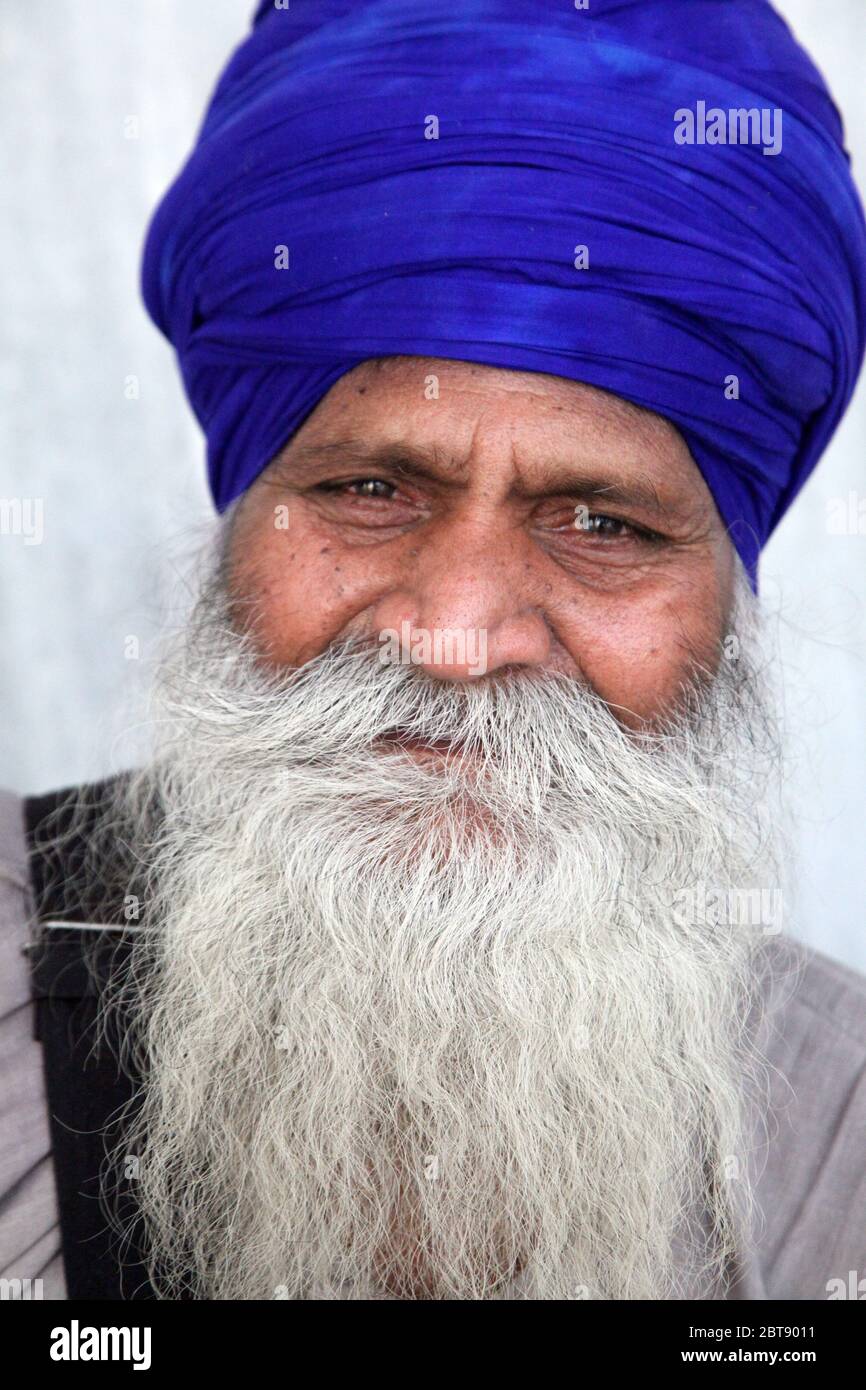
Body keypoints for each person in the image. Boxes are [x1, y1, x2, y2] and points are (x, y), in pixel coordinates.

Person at [2, 0, 866, 1301]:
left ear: (723, 600)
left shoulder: (836, 1130)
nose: (456, 634)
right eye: (366, 490)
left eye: (600, 522)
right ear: (237, 525)